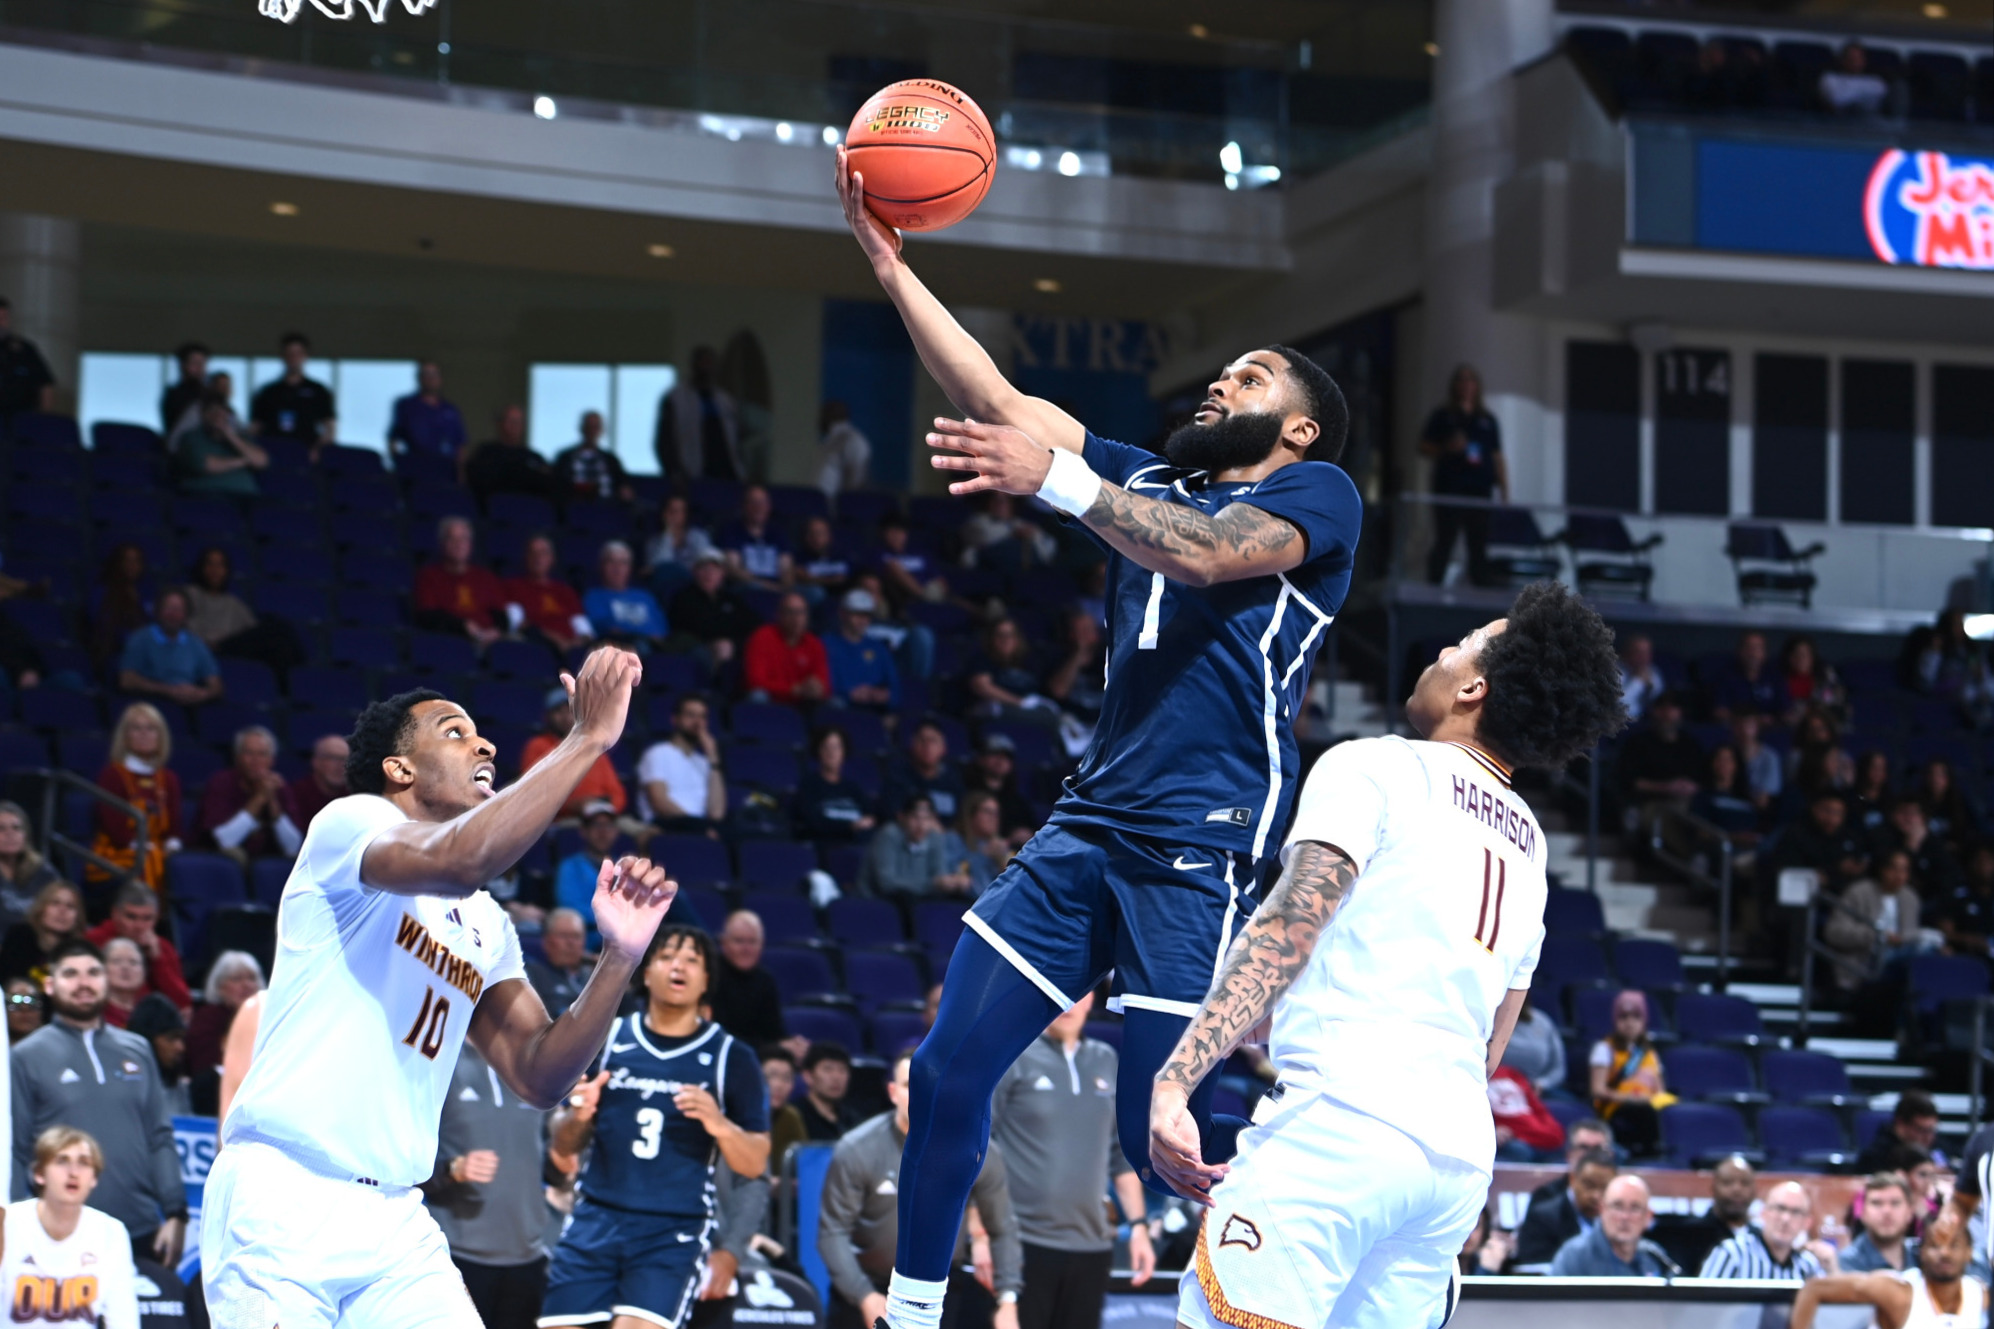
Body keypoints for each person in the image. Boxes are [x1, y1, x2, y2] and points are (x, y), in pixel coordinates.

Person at [840, 144, 1367, 1329]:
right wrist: (888, 265)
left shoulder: (1315, 498)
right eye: (1220, 375)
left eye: (1247, 379)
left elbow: (1207, 556)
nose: (1218, 388)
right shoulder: (1150, 481)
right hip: (1087, 826)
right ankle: (919, 1314)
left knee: (1158, 1134)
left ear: (1298, 430)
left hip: (1196, 841)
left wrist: (1057, 483)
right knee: (945, 1070)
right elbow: (1000, 403)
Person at [1142, 581, 1626, 1326]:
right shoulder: (1530, 844)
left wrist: (1176, 1079)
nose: (1440, 650)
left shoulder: (1376, 765)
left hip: (1343, 1123)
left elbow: (1288, 927)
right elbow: (1489, 1044)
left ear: (1474, 685)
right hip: (1455, 1159)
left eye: (1460, 643)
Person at [200, 650, 677, 1329]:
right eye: (455, 731)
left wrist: (620, 956)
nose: (483, 742)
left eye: (480, 732)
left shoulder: (485, 921)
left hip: (396, 1219)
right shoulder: (347, 826)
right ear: (400, 768)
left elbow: (540, 1074)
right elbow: (460, 857)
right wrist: (586, 739)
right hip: (283, 1192)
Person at [542, 926, 770, 1329]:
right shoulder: (606, 1039)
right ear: (646, 973)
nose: (678, 966)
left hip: (673, 1230)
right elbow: (562, 1149)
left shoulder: (732, 1057)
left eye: (692, 960)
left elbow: (754, 1165)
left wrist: (720, 1125)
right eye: (666, 957)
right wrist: (576, 1115)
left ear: (705, 982)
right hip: (596, 1216)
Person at [819, 1049, 1022, 1329]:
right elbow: (832, 1232)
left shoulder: (978, 1151)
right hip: (872, 1287)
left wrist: (1008, 1299)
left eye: (933, 1085)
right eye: (909, 1085)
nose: (922, 1094)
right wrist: (863, 1295)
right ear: (893, 1092)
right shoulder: (857, 1150)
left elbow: (1002, 1227)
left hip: (942, 1291)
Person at [11, 942, 185, 1266]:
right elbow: (17, 1149)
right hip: (56, 1233)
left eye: (93, 972)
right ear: (50, 985)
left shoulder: (138, 1049)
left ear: (105, 981)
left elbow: (160, 1136)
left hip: (140, 1229)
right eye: (71, 974)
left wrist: (176, 1213)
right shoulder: (25, 1056)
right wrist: (19, 1225)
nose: (83, 983)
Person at [992, 992, 1153, 1329]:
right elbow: (980, 1148)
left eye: (1080, 994)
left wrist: (1138, 1227)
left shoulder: (1106, 1059)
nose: (1069, 1004)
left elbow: (1119, 1153)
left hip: (1092, 1247)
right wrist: (980, 1235)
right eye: (1062, 994)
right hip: (1021, 1244)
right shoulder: (1011, 1056)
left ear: (1092, 999)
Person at [422, 1040, 554, 1329]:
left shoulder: (534, 1068)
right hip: (456, 1254)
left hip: (527, 1255)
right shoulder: (439, 1061)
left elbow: (553, 1163)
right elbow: (402, 1167)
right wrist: (452, 1168)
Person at [1, 1127, 140, 1329]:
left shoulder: (111, 1232)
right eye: (62, 1161)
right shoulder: (8, 1222)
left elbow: (124, 1321)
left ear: (94, 1178)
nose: (74, 1172)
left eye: (84, 1163)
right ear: (39, 1174)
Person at [1792, 1214, 1978, 1329]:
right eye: (1935, 1246)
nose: (1944, 1253)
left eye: (1954, 1245)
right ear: (1921, 1252)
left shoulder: (1981, 1296)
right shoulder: (1895, 1291)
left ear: (1970, 1252)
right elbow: (1814, 1288)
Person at [1419, 363, 1506, 585]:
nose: (1466, 385)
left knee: (1478, 542)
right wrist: (1447, 448)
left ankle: (1480, 585)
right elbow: (1424, 446)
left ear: (1476, 386)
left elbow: (1497, 456)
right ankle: (1434, 584)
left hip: (1479, 490)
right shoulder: (1443, 415)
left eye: (1471, 380)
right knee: (1445, 539)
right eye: (1462, 380)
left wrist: (1505, 490)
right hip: (1450, 488)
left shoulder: (1487, 419)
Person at [184, 546, 304, 679]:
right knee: (276, 628)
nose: (215, 570)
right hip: (209, 647)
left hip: (230, 646)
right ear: (202, 567)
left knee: (279, 631)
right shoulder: (190, 594)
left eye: (220, 565)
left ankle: (292, 687)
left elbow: (251, 632)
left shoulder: (233, 603)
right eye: (210, 564)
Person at [196, 725, 304, 862]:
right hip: (222, 862)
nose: (255, 760)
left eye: (262, 754)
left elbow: (293, 847)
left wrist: (272, 801)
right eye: (249, 753)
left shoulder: (280, 787)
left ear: (272, 760)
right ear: (237, 757)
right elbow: (223, 841)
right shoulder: (221, 782)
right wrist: (259, 798)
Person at [1589, 990, 1675, 1157]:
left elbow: (1660, 1092)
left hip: (1647, 1110)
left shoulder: (1650, 1053)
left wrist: (1652, 1099)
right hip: (1615, 1112)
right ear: (1615, 1020)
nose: (1630, 1023)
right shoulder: (1604, 1048)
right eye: (1623, 1017)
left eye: (1636, 1017)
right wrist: (1631, 1099)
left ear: (1644, 1021)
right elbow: (1597, 1090)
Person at [519, 689, 628, 821]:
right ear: (547, 717)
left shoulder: (592, 746)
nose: (566, 717)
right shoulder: (538, 746)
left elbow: (617, 794)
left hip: (604, 817)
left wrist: (603, 810)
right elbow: (533, 793)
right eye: (558, 711)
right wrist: (572, 805)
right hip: (563, 819)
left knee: (647, 834)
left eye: (570, 711)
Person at [1824, 849, 1925, 988]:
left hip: (1899, 962)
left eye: (1904, 870)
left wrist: (1900, 939)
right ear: (1882, 869)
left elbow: (1910, 935)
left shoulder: (1910, 898)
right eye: (1894, 869)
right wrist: (1876, 936)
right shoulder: (1858, 892)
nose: (1899, 875)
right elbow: (1833, 932)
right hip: (1864, 961)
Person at [1700, 1180, 1836, 1279]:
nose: (1785, 1219)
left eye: (1796, 1212)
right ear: (1763, 1213)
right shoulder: (1732, 1254)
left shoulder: (1807, 1266)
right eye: (1780, 1208)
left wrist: (1832, 1270)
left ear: (1807, 1223)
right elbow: (1701, 1306)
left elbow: (1830, 1314)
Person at [116, 588, 224, 709]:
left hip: (189, 709)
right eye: (169, 608)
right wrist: (169, 690)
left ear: (186, 615)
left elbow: (216, 686)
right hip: (150, 707)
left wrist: (202, 694)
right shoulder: (140, 638)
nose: (173, 614)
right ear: (158, 611)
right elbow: (126, 681)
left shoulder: (196, 643)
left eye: (179, 610)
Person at [1549, 1175, 1676, 1278]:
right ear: (1602, 1210)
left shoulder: (1654, 1256)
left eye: (1635, 1208)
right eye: (1617, 1206)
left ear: (1648, 1216)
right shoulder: (1573, 1256)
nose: (1625, 1217)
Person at [710, 910, 800, 1054]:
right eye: (739, 941)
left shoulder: (765, 980)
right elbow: (717, 1035)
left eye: (752, 942)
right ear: (723, 943)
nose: (747, 949)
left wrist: (792, 1044)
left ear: (762, 944)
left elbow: (774, 1031)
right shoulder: (709, 975)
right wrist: (774, 1047)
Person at [1652, 1153, 1758, 1274]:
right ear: (1713, 1188)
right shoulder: (1690, 1235)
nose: (1737, 1189)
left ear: (1755, 1190)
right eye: (1727, 1182)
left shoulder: (1761, 1238)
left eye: (1745, 1183)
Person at [637, 693, 727, 835]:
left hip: (700, 827)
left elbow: (716, 813)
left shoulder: (704, 762)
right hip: (667, 825)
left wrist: (713, 758)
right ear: (675, 719)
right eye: (691, 715)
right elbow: (660, 803)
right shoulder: (658, 753)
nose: (698, 723)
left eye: (702, 717)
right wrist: (698, 828)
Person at [1515, 1147, 1617, 1269]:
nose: (1596, 1195)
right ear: (1572, 1179)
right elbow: (1534, 1269)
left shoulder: (1620, 1219)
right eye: (1589, 1185)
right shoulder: (1542, 1218)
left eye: (1604, 1187)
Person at [1618, 692, 1704, 837]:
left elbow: (1703, 779)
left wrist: (1691, 787)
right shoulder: (1638, 743)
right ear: (1654, 711)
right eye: (1662, 708)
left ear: (1680, 712)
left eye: (1672, 709)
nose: (1667, 714)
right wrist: (1667, 787)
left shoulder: (1691, 745)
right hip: (1651, 803)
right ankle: (1690, 856)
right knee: (1668, 818)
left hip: (1689, 802)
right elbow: (1631, 782)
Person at [415, 517, 508, 647]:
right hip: (450, 641)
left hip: (490, 641)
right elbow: (428, 617)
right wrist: (462, 626)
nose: (458, 544)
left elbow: (502, 615)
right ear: (442, 544)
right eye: (452, 539)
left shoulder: (486, 577)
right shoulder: (429, 576)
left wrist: (496, 632)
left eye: (464, 539)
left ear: (470, 545)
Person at [858, 796, 971, 901]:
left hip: (919, 900)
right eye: (915, 817)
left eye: (927, 818)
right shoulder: (888, 835)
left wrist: (953, 883)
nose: (921, 825)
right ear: (901, 817)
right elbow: (886, 884)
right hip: (878, 900)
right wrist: (933, 884)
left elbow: (939, 876)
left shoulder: (935, 838)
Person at [656, 345, 742, 483]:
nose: (706, 368)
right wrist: (674, 471)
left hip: (725, 473)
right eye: (702, 362)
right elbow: (664, 442)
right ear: (693, 365)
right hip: (691, 473)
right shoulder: (676, 399)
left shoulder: (725, 401)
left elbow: (737, 439)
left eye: (710, 363)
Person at [668, 549, 761, 668]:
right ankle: (718, 683)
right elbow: (695, 627)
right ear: (695, 571)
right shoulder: (684, 597)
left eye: (715, 569)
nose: (709, 573)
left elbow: (752, 622)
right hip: (698, 646)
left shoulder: (731, 599)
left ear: (722, 573)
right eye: (704, 568)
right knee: (723, 647)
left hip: (733, 643)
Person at [506, 534, 595, 655]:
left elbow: (585, 630)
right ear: (526, 557)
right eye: (533, 553)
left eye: (543, 553)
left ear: (552, 558)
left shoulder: (565, 591)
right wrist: (554, 639)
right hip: (536, 646)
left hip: (571, 648)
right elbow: (517, 623)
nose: (538, 558)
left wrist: (573, 644)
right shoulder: (513, 586)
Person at [249, 332, 336, 454]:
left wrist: (318, 451)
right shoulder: (267, 392)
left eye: (298, 354)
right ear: (283, 356)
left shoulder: (318, 391)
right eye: (289, 354)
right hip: (272, 453)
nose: (293, 358)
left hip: (306, 453)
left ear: (305, 356)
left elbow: (329, 428)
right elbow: (255, 428)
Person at [185, 949, 264, 1084]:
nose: (247, 985)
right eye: (237, 979)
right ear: (219, 987)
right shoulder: (208, 1019)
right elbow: (206, 1068)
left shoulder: (267, 1016)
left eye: (252, 978)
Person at [173, 390, 270, 495]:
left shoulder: (241, 438)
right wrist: (244, 461)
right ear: (203, 415)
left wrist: (230, 435)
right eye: (212, 411)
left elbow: (261, 461)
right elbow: (205, 465)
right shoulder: (191, 438)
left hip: (246, 499)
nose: (217, 415)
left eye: (221, 410)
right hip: (205, 498)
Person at [745, 592, 830, 706]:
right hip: (772, 699)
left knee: (835, 704)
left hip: (803, 701)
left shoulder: (814, 643)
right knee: (758, 696)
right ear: (779, 615)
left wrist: (815, 688)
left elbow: (824, 684)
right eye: (790, 612)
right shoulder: (763, 636)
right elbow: (754, 681)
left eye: (801, 613)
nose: (796, 618)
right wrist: (792, 690)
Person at [553, 801, 622, 945]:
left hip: (624, 938)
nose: (603, 832)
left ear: (616, 831)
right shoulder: (570, 866)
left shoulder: (625, 867)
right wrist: (613, 915)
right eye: (596, 825)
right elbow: (570, 907)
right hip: (588, 940)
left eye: (608, 826)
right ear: (583, 831)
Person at [583, 541, 669, 653]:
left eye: (623, 563)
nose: (617, 568)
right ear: (601, 566)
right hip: (621, 650)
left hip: (653, 648)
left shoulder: (645, 597)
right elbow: (608, 629)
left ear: (630, 568)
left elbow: (660, 631)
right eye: (611, 562)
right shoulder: (593, 596)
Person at [795, 727, 878, 842]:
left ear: (844, 751)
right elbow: (814, 822)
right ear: (818, 751)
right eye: (826, 747)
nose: (831, 752)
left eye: (836, 747)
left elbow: (870, 817)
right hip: (824, 846)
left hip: (855, 846)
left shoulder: (852, 787)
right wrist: (850, 826)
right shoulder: (809, 785)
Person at [823, 591, 901, 712]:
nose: (863, 620)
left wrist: (882, 695)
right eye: (857, 614)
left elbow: (895, 690)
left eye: (866, 615)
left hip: (873, 712)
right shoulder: (826, 644)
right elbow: (823, 685)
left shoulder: (879, 648)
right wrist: (849, 695)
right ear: (843, 614)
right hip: (840, 711)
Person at [467, 405, 560, 504]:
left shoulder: (534, 457)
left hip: (528, 510)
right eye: (510, 421)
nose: (514, 426)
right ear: (500, 423)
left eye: (518, 422)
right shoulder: (486, 452)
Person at [0, 882, 85, 987]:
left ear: (77, 917)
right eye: (55, 903)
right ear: (41, 909)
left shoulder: (81, 950)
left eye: (70, 906)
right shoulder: (20, 936)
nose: (62, 911)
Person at [389, 360, 468, 473]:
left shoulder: (450, 409)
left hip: (445, 469)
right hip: (415, 468)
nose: (430, 379)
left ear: (440, 379)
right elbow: (393, 438)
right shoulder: (406, 406)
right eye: (426, 374)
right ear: (419, 378)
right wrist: (399, 465)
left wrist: (461, 472)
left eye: (434, 374)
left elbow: (460, 444)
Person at [881, 720, 963, 823]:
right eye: (922, 740)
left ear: (944, 748)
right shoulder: (897, 777)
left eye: (933, 741)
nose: (927, 746)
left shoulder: (953, 782)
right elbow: (892, 813)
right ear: (912, 745)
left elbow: (961, 820)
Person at [716, 486, 793, 592]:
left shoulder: (778, 533)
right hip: (747, 586)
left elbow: (786, 568)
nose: (759, 507)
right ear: (744, 506)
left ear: (769, 506)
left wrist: (786, 587)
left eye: (763, 502)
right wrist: (766, 585)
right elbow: (733, 569)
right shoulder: (731, 531)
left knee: (812, 593)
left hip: (777, 587)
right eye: (753, 502)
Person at [0, 802, 61, 931]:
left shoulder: (44, 873)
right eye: (1, 828)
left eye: (16, 828)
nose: (10, 833)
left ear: (25, 834)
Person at [1843, 1173, 1921, 1273]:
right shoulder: (1847, 1264)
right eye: (1877, 1203)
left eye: (1895, 1203)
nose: (1886, 1211)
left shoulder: (1922, 1258)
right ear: (1862, 1213)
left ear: (1910, 1212)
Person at [127, 995, 191, 1116]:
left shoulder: (179, 1087)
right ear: (148, 1041)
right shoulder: (123, 1086)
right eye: (171, 1038)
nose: (180, 1047)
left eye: (181, 1039)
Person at [1487, 1064, 1564, 1165]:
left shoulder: (1511, 1074)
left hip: (1539, 1137)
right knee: (1520, 1151)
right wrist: (1490, 1132)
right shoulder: (1466, 1077)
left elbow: (1537, 1108)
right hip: (1497, 1140)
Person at [645, 495, 718, 598]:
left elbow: (706, 563)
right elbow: (660, 567)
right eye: (670, 510)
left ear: (685, 515)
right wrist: (667, 534)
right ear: (663, 514)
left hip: (697, 586)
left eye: (678, 511)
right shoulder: (654, 541)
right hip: (667, 589)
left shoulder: (698, 536)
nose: (674, 515)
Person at [552, 410, 632, 505]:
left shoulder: (610, 459)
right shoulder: (565, 458)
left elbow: (622, 483)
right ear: (582, 428)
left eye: (595, 427)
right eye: (589, 427)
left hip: (606, 507)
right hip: (573, 507)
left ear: (601, 430)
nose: (591, 431)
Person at [525, 908, 592, 1018]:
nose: (571, 943)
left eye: (576, 936)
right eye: (564, 936)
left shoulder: (594, 973)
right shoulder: (532, 975)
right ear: (547, 941)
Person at [1857, 1092, 1944, 1174]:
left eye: (1931, 1130)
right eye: (1921, 1130)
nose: (1928, 1137)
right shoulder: (1875, 1156)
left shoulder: (1939, 1146)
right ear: (1901, 1123)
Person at [1713, 632, 1789, 723]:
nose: (1753, 653)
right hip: (1735, 730)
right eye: (1748, 648)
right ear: (1739, 651)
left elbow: (1786, 711)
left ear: (1765, 653)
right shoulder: (1726, 677)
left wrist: (1775, 719)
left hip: (1771, 731)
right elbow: (1719, 711)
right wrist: (1750, 721)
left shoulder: (1775, 677)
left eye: (1758, 648)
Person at [0, 296, 57, 418]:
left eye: (4, 318)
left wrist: (44, 419)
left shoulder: (24, 350)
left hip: (22, 419)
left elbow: (45, 385)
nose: (1, 323)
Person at [1497, 1000, 1567, 1098]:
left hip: (1539, 1091)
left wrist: (1542, 1084)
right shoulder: (1489, 1020)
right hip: (1496, 1088)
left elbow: (1558, 1068)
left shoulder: (1542, 1021)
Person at [288, 734, 351, 831]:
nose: (340, 766)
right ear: (315, 762)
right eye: (333, 758)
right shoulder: (295, 794)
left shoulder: (354, 797)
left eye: (345, 760)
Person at [763, 1046, 808, 1176]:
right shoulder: (735, 1116)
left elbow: (803, 1168)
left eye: (786, 1078)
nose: (779, 1085)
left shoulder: (791, 1117)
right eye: (771, 1076)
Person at [800, 1041, 857, 1141]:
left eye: (842, 1070)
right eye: (828, 1069)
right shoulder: (796, 1116)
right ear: (808, 1076)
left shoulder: (853, 1119)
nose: (836, 1077)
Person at [818, 400, 871, 503]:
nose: (818, 420)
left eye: (822, 415)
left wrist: (845, 502)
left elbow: (858, 478)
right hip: (819, 504)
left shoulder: (854, 440)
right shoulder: (828, 442)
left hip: (838, 506)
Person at [797, 515, 855, 604]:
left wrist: (816, 579)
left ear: (829, 536)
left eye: (820, 533)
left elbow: (849, 577)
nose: (816, 538)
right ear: (806, 537)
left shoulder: (842, 556)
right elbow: (802, 577)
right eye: (812, 533)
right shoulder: (799, 557)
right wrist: (831, 580)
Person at [160, 340, 209, 435]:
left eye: (202, 363)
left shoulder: (210, 393)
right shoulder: (174, 395)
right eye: (195, 363)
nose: (200, 368)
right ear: (183, 365)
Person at [1619, 634, 1665, 725]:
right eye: (1638, 652)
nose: (1643, 657)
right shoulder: (1612, 671)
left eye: (1646, 653)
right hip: (1620, 723)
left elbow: (1661, 702)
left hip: (1649, 724)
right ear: (1627, 653)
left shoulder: (1653, 671)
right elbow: (1618, 705)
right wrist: (1637, 681)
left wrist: (1650, 687)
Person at [102, 937, 147, 1029]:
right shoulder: (93, 1012)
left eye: (133, 962)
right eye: (116, 961)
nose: (125, 967)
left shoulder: (152, 1010)